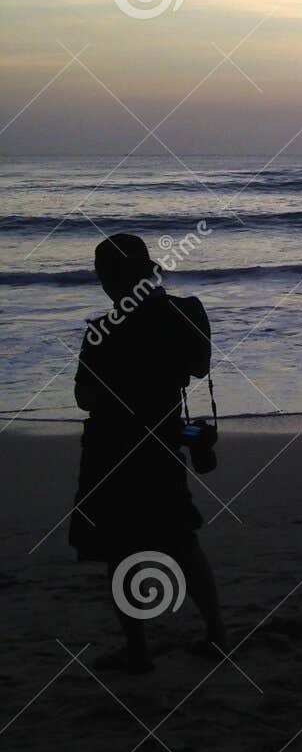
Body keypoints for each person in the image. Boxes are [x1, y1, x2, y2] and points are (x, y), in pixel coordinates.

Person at [70, 234, 226, 674]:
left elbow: (86, 398)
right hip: (163, 438)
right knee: (180, 539)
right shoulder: (185, 313)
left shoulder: (101, 330)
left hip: (111, 447)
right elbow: (198, 368)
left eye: (102, 273)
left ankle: (138, 649)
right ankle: (217, 633)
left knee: (121, 547)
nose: (100, 281)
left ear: (114, 277)